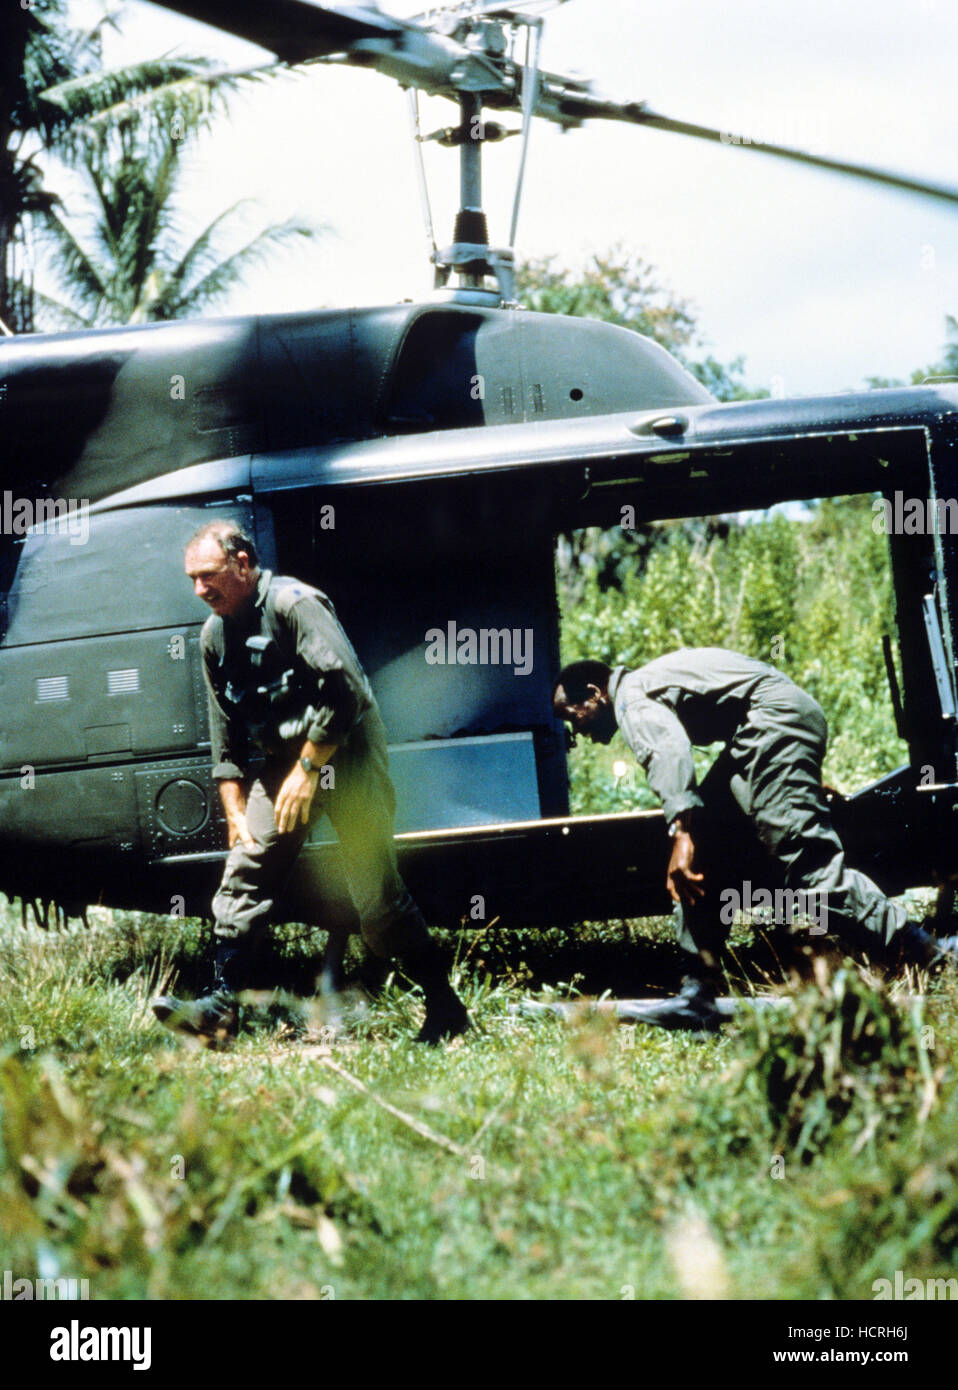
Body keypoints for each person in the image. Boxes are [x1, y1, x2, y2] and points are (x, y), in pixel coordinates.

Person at [152, 520, 470, 1045]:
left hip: (346, 754)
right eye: (191, 579)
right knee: (245, 872)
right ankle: (219, 1010)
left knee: (377, 898)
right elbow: (224, 731)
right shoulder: (213, 636)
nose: (199, 589)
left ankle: (445, 1008)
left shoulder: (294, 605)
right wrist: (234, 807)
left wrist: (308, 769)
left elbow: (349, 690)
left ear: (243, 564)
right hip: (284, 766)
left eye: (208, 575)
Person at [553, 648, 957, 1006]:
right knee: (709, 847)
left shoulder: (632, 700)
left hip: (771, 724)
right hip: (768, 727)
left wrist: (681, 831)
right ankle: (699, 987)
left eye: (573, 718)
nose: (579, 733)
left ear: (595, 693)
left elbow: (668, 749)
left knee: (807, 866)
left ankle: (928, 955)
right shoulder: (647, 682)